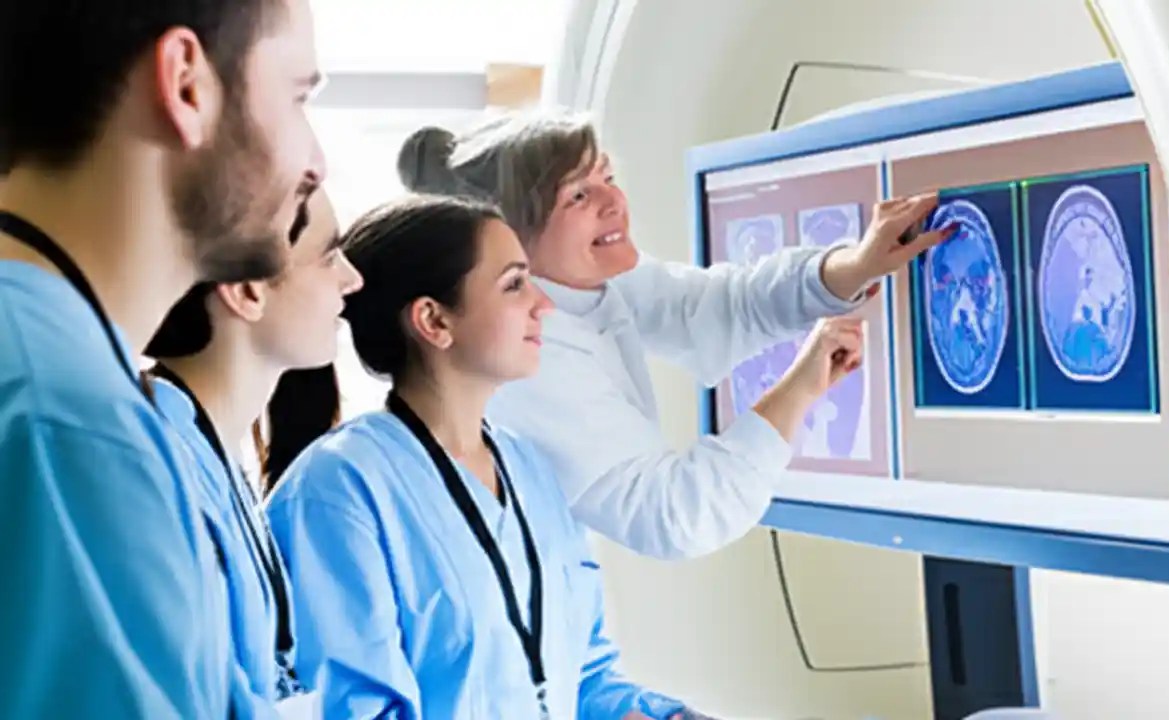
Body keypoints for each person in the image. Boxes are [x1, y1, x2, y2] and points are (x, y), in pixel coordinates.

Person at [263, 195, 769, 719]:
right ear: (434, 320)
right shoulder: (338, 491)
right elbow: (354, 709)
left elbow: (579, 679)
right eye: (514, 285)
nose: (543, 304)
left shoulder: (528, 470)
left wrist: (667, 716)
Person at [396, 112, 951, 559]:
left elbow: (715, 306)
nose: (614, 202)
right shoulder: (524, 362)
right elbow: (674, 515)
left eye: (607, 177)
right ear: (511, 238)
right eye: (578, 197)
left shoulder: (587, 281)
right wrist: (800, 388)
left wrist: (851, 267)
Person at [0, 0, 326, 715]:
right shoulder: (70, 419)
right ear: (186, 85)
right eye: (298, 97)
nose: (315, 162)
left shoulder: (54, 368)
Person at [144, 190, 362, 717]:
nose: (352, 279)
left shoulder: (210, 451)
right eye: (329, 256)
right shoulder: (157, 467)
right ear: (246, 290)